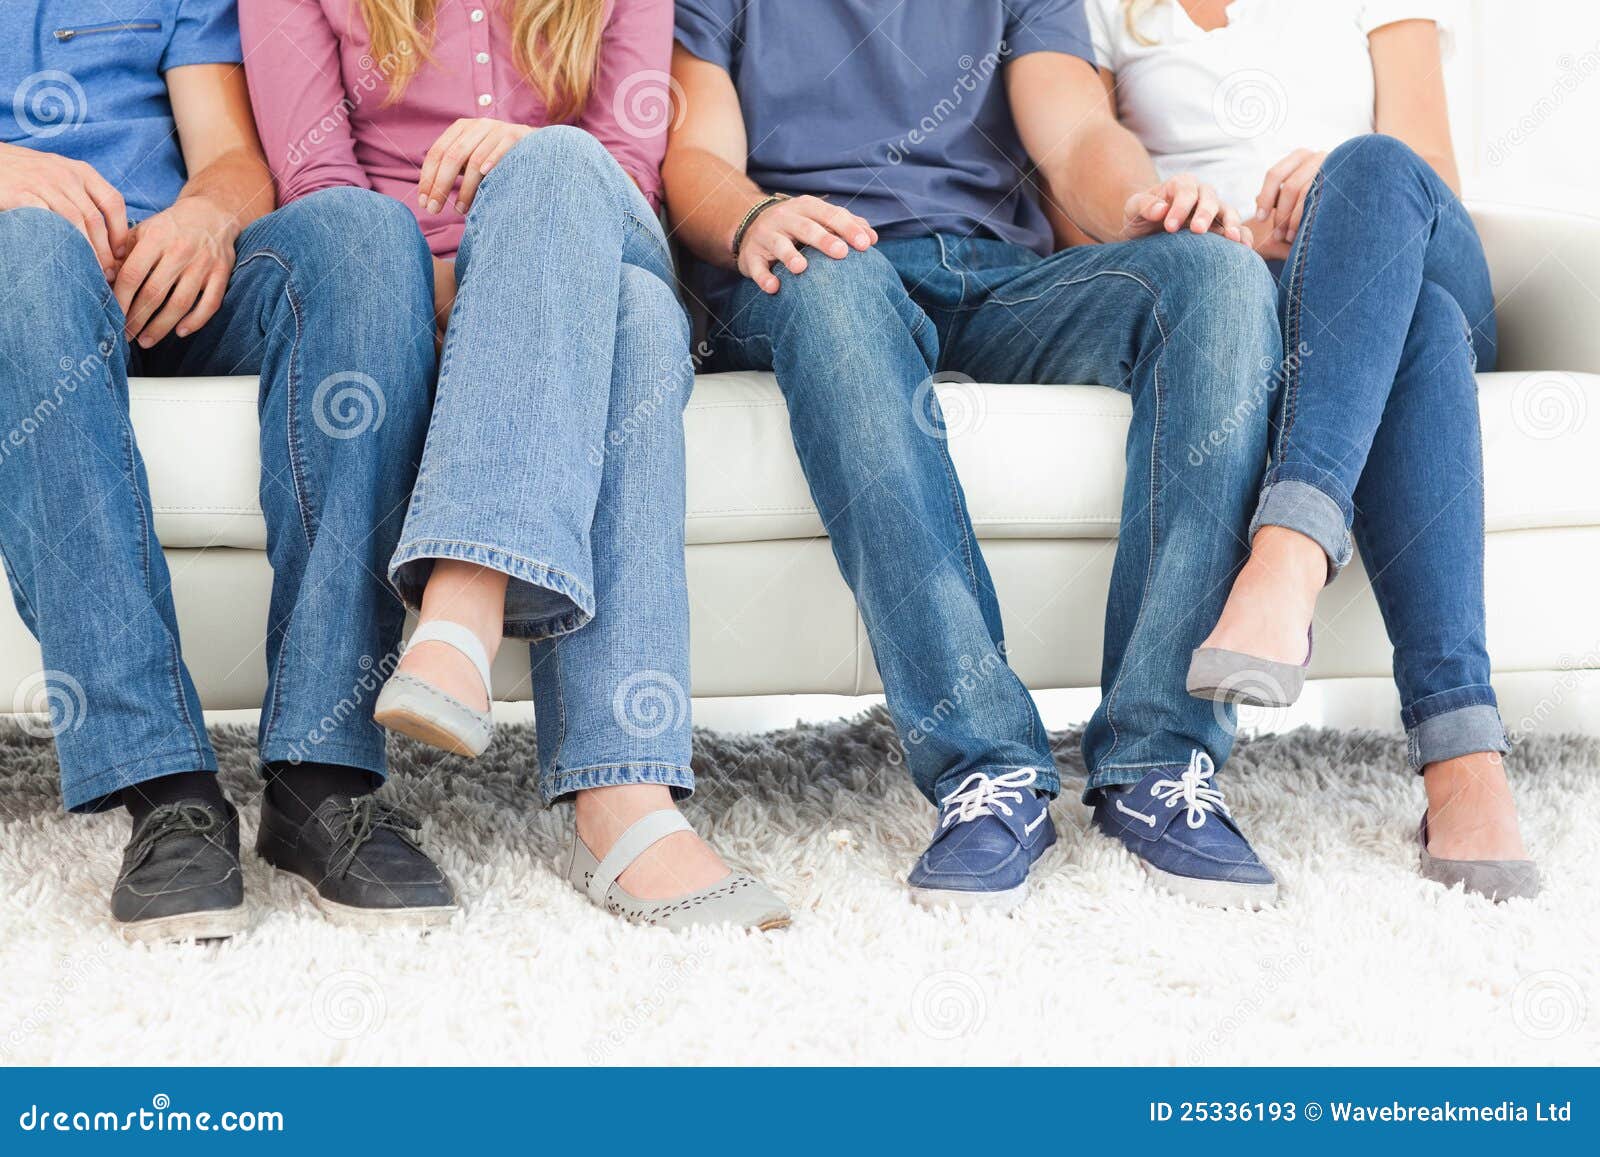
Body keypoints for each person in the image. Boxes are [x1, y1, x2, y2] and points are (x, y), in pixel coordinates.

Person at [666, 0, 1285, 911]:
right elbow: (694, 154)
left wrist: (1139, 202)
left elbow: (1078, 133)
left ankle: (1160, 759)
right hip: (815, 267)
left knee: (1219, 273)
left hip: (999, 275)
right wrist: (754, 215)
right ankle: (987, 767)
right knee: (830, 282)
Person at [242, 0, 790, 931]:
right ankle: (623, 797)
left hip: (588, 225)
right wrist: (474, 294)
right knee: (638, 320)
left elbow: (629, 162)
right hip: (410, 273)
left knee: (562, 161)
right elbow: (317, 178)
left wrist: (526, 204)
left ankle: (464, 601)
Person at [1, 2, 451, 942]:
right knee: (26, 255)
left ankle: (322, 775)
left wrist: (207, 214)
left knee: (365, 232)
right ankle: (164, 786)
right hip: (24, 287)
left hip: (173, 278)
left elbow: (232, 156)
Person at [1087, 0, 1536, 900]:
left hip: (1409, 235)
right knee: (1419, 327)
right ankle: (1464, 761)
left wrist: (1337, 195)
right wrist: (1228, 234)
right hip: (1251, 291)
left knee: (1372, 168)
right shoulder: (1102, 11)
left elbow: (1430, 166)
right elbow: (1089, 212)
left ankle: (1288, 553)